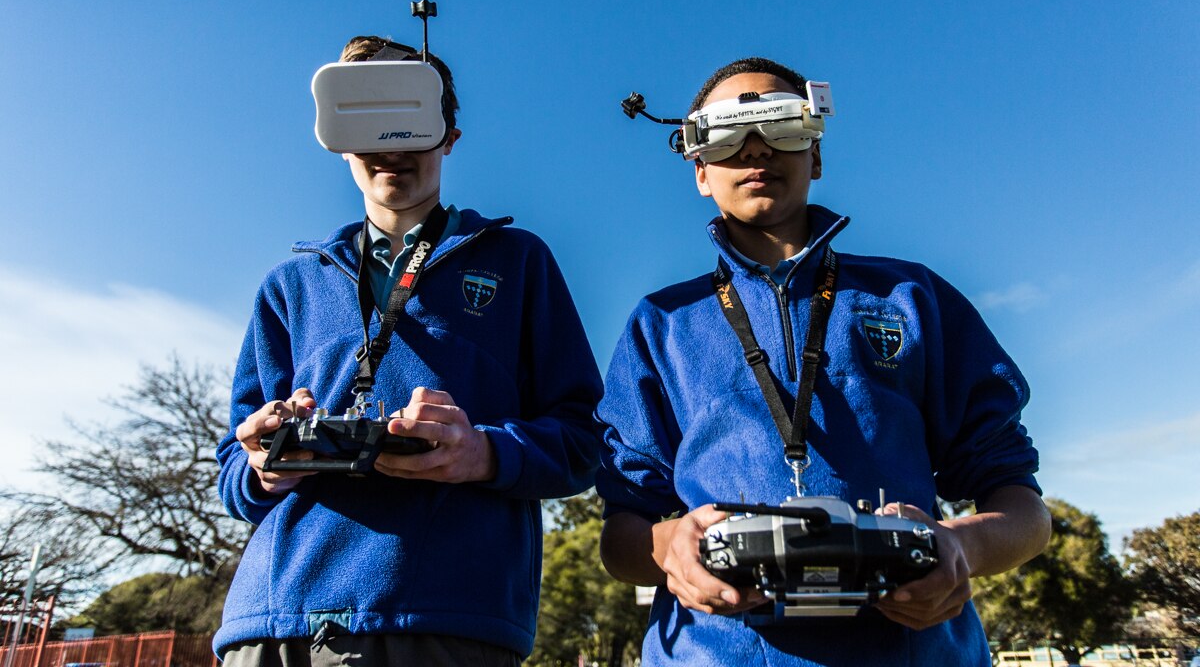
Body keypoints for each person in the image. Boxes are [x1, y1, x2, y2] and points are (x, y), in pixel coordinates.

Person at [595, 57, 1051, 666]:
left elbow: (1026, 511)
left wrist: (962, 548)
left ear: (815, 155)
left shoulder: (912, 299)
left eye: (781, 127)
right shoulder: (662, 324)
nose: (756, 151)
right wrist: (669, 546)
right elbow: (622, 532)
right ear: (699, 170)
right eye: (730, 137)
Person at [214, 36, 603, 666]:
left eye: (413, 122)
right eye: (366, 121)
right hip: (276, 620)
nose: (391, 147)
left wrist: (482, 451)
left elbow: (584, 444)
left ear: (449, 133)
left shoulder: (519, 262)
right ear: (336, 134)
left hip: (450, 620)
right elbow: (232, 469)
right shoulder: (289, 286)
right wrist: (263, 463)